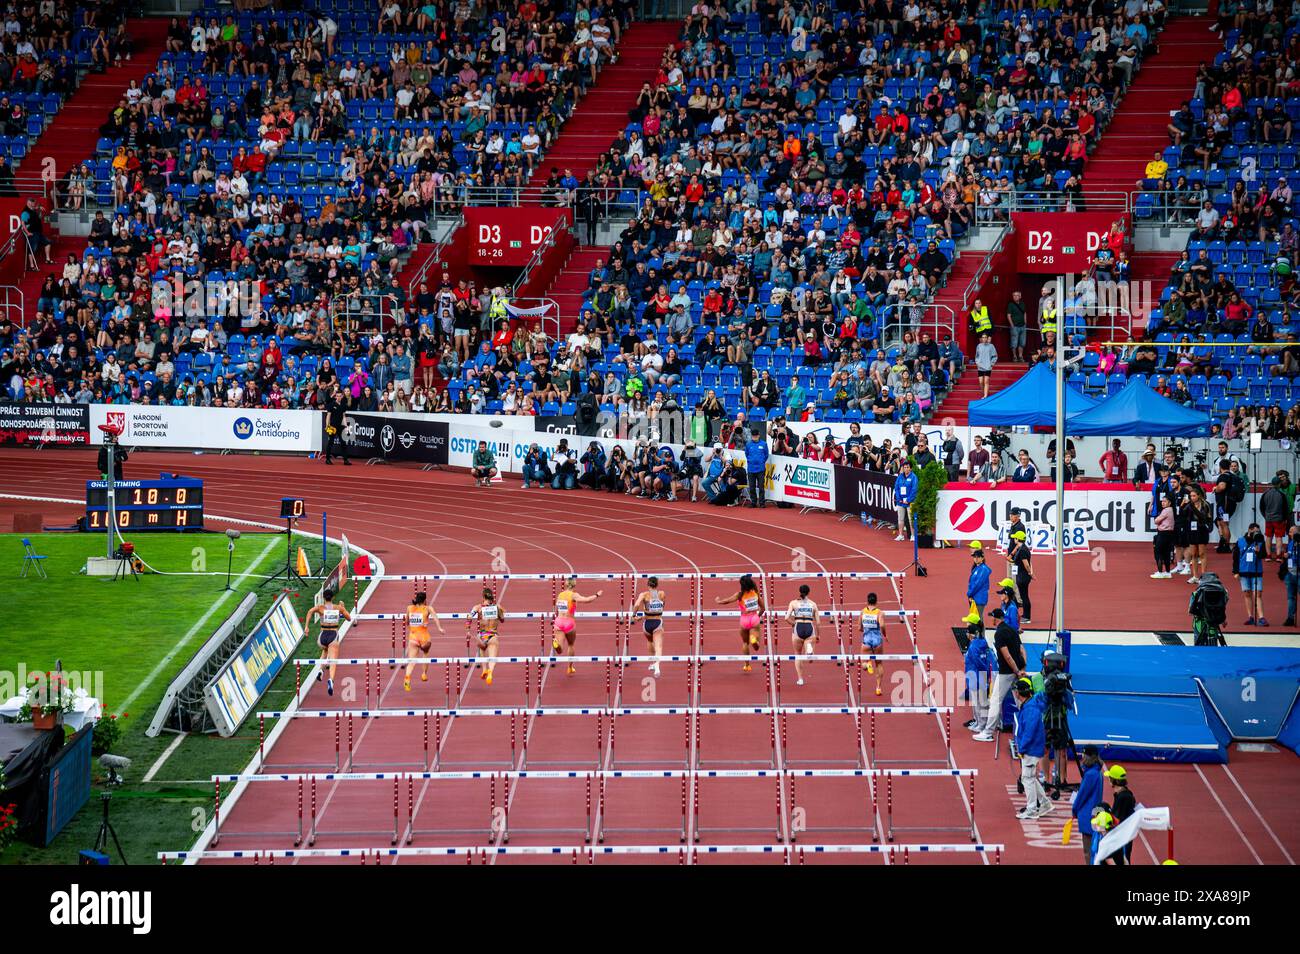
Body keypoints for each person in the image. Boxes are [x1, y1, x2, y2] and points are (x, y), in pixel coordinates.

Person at [972, 601, 1025, 741]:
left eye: (992, 618)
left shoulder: (999, 634)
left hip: (1007, 672)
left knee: (995, 700)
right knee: (1021, 701)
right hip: (1017, 670)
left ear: (996, 619)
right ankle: (1026, 728)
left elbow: (1006, 655)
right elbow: (1022, 650)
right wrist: (1022, 669)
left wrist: (1015, 670)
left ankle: (988, 732)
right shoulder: (1013, 630)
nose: (991, 620)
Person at [1012, 678, 1052, 819]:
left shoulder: (1030, 709)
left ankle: (1032, 809)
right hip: (1032, 747)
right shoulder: (1030, 705)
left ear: (1019, 693)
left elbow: (1029, 731)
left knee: (1027, 778)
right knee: (1030, 778)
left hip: (1030, 749)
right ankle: (1045, 803)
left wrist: (1021, 748)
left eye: (1015, 691)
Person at [303, 588, 351, 696]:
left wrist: (306, 627)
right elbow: (349, 618)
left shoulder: (320, 608)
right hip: (333, 636)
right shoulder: (338, 608)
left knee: (325, 650)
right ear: (333, 597)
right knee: (333, 661)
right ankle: (331, 681)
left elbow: (310, 611)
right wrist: (343, 609)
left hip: (322, 637)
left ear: (324, 598)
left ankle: (320, 670)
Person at [552, 576, 604, 674]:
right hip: (569, 623)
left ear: (566, 584)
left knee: (559, 650)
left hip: (558, 621)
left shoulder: (560, 595)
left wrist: (556, 619)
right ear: (574, 585)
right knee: (571, 645)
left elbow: (556, 610)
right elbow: (587, 600)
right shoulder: (574, 595)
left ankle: (557, 645)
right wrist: (597, 595)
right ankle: (570, 667)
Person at [715, 574, 765, 672]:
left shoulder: (739, 595)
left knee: (745, 643)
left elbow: (727, 601)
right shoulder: (756, 593)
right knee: (756, 645)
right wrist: (757, 616)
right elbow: (763, 608)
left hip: (744, 620)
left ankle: (747, 665)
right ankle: (754, 640)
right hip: (754, 618)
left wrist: (718, 601)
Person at [403, 590, 445, 692]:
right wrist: (439, 628)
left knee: (411, 661)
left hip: (413, 638)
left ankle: (407, 678)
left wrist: (413, 622)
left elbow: (406, 622)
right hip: (424, 638)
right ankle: (424, 674)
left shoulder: (409, 608)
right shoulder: (428, 608)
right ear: (425, 600)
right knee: (425, 654)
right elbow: (435, 617)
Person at [1072, 747, 1106, 864]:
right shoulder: (1097, 772)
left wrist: (1074, 810)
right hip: (1095, 813)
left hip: (1088, 816)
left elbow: (1082, 796)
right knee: (1094, 849)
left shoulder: (1090, 775)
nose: (1081, 757)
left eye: (1083, 754)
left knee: (1088, 851)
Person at [961, 608, 991, 729]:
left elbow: (979, 662)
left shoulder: (975, 645)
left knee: (980, 702)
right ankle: (979, 722)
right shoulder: (979, 642)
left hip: (976, 676)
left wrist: (984, 675)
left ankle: (982, 724)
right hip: (975, 675)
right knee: (978, 702)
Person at [1233, 522, 1268, 626]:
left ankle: (1261, 617)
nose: (1257, 533)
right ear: (1250, 530)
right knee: (1247, 594)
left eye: (1258, 531)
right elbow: (1235, 558)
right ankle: (1250, 617)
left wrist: (1258, 552)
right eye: (1255, 531)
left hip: (1256, 571)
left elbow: (1264, 555)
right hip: (1243, 572)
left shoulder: (1260, 541)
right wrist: (1235, 572)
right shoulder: (1240, 541)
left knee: (1258, 593)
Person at [468, 588, 505, 685]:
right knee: (493, 657)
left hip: (482, 635)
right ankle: (490, 671)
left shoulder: (477, 607)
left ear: (483, 597)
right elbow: (502, 620)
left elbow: (469, 617)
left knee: (482, 649)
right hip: (492, 635)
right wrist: (500, 611)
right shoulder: (497, 607)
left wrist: (468, 630)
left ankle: (484, 669)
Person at [784, 584, 819, 686]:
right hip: (809, 626)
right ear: (809, 592)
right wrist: (818, 635)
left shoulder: (793, 603)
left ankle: (800, 679)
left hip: (798, 627)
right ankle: (809, 649)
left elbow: (786, 618)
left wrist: (793, 624)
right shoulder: (813, 604)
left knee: (797, 655)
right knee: (809, 644)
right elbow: (818, 622)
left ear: (799, 591)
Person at [631, 576, 667, 676]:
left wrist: (634, 616)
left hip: (647, 624)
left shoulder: (644, 595)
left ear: (648, 585)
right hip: (657, 623)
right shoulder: (662, 594)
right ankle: (657, 666)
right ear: (657, 585)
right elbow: (662, 607)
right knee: (658, 646)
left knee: (650, 641)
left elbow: (637, 605)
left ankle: (653, 663)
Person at [1103, 765, 1136, 865]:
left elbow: (1117, 820)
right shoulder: (1123, 794)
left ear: (1114, 780)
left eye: (1110, 777)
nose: (1108, 779)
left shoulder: (1123, 797)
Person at [858, 592, 886, 696]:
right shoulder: (880, 612)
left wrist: (865, 629)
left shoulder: (862, 612)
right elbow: (882, 625)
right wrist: (884, 634)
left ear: (867, 601)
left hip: (866, 640)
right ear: (876, 602)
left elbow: (859, 628)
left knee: (863, 663)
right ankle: (878, 688)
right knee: (879, 663)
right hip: (877, 641)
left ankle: (867, 664)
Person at [1008, 529, 1034, 625]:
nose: (1013, 539)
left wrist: (1030, 573)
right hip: (1023, 575)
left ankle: (1027, 617)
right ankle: (1026, 615)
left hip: (1023, 576)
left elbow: (1026, 564)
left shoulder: (1022, 550)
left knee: (1024, 597)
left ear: (1017, 539)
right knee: (1024, 596)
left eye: (1015, 538)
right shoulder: (1023, 548)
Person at [324, 386, 351, 465]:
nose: (339, 397)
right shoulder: (331, 404)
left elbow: (343, 416)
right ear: (335, 396)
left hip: (340, 426)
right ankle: (327, 459)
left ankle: (345, 460)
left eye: (340, 396)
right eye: (337, 396)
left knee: (343, 443)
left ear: (342, 396)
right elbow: (328, 416)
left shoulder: (343, 405)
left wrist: (346, 427)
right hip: (332, 426)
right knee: (330, 442)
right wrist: (327, 425)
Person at [1151, 492, 1176, 579]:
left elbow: (1156, 520)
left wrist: (1157, 520)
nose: (1162, 503)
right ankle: (1168, 572)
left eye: (1165, 501)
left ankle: (1160, 572)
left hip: (1163, 533)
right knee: (1166, 553)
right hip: (1169, 534)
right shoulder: (1171, 510)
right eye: (1162, 501)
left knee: (1158, 552)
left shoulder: (1166, 510)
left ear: (1169, 503)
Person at [893, 458, 917, 542]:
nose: (906, 469)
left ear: (910, 468)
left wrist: (909, 500)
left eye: (907, 467)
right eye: (904, 467)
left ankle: (913, 535)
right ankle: (900, 535)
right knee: (900, 519)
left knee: (911, 519)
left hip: (910, 501)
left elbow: (914, 489)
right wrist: (899, 498)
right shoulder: (900, 477)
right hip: (900, 502)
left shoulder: (913, 477)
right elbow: (896, 488)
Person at [744, 426, 769, 508]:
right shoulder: (748, 444)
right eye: (753, 436)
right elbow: (746, 454)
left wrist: (761, 462)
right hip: (751, 469)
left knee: (761, 487)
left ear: (758, 435)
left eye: (755, 436)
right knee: (752, 487)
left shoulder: (764, 444)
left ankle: (762, 503)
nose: (754, 437)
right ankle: (753, 502)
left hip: (760, 469)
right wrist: (751, 461)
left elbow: (766, 455)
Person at [967, 541, 991, 618]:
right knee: (977, 618)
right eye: (974, 557)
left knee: (978, 619)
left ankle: (980, 630)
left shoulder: (983, 569)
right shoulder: (977, 567)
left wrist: (970, 593)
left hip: (978, 597)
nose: (976, 559)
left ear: (982, 557)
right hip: (975, 597)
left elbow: (978, 584)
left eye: (978, 557)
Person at [1285, 524, 1299, 628]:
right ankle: (1290, 618)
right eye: (1289, 532)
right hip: (1290, 573)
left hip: (1299, 572)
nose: (1289, 534)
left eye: (1291, 531)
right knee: (1290, 597)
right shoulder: (1290, 544)